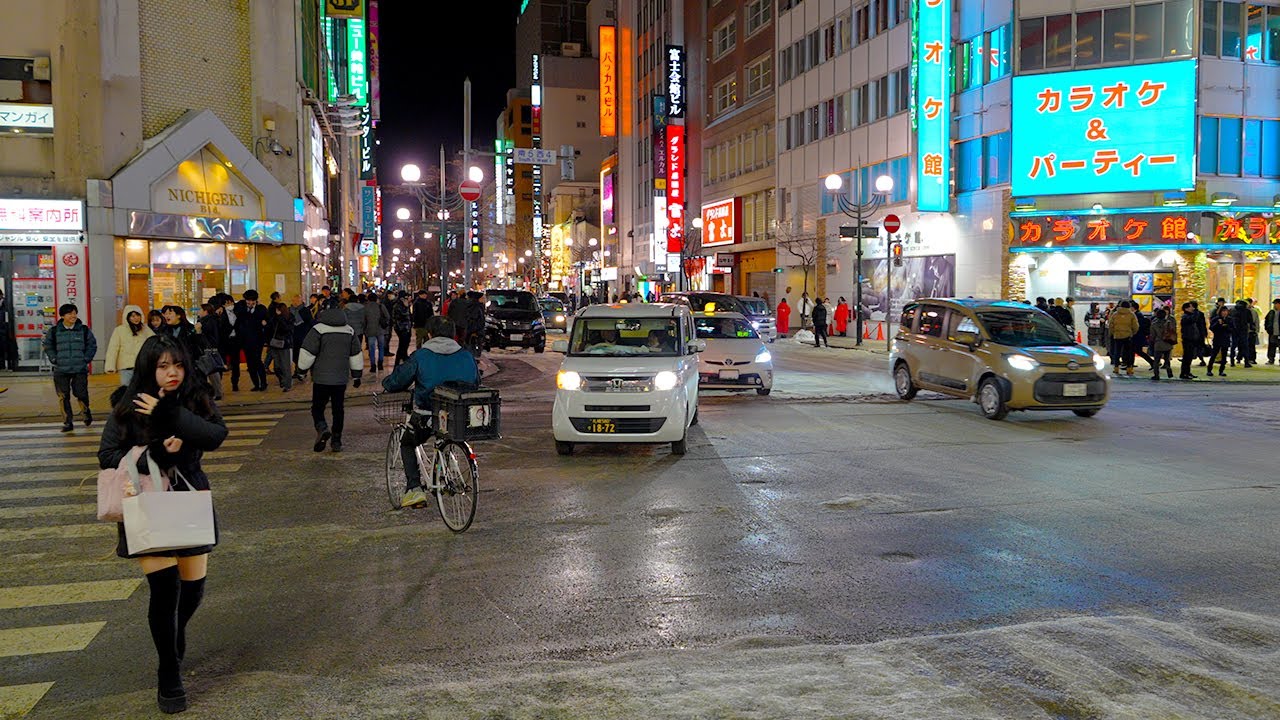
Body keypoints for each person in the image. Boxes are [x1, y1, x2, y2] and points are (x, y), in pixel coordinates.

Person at [97, 334, 227, 714]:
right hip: (147, 503)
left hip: (188, 499)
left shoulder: (194, 398)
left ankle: (175, 633)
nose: (172, 373)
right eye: (163, 366)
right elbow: (107, 454)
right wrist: (154, 453)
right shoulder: (127, 404)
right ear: (148, 368)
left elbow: (215, 435)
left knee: (193, 591)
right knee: (165, 590)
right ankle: (168, 672)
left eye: (178, 365)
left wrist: (170, 414)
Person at [381, 316, 480, 508]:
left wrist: (387, 383)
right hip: (459, 416)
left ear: (429, 334)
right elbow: (475, 383)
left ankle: (414, 489)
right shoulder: (466, 355)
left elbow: (397, 381)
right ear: (453, 335)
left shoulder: (421, 356)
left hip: (428, 415)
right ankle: (445, 472)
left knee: (407, 442)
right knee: (445, 435)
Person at [296, 306, 363, 452]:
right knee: (338, 409)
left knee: (317, 408)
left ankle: (322, 427)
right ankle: (336, 440)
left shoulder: (318, 330)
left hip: (321, 378)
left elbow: (308, 353)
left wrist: (301, 371)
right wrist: (357, 375)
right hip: (340, 379)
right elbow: (356, 354)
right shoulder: (349, 331)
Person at [43, 303, 97, 432]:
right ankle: (67, 422)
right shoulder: (54, 331)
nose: (73, 316)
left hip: (80, 369)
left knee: (81, 394)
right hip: (61, 369)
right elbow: (48, 346)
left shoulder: (83, 330)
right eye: (70, 313)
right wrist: (54, 359)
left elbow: (92, 345)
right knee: (63, 396)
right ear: (62, 316)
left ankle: (86, 412)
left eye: (74, 313)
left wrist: (86, 359)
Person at [105, 305, 153, 387]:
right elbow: (113, 349)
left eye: (137, 315)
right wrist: (110, 366)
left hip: (142, 367)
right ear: (127, 317)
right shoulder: (119, 330)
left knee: (142, 390)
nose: (136, 318)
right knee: (126, 390)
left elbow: (153, 343)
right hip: (126, 369)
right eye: (132, 316)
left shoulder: (146, 329)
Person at [234, 290, 269, 392]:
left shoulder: (261, 309)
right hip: (245, 340)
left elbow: (267, 321)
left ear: (256, 300)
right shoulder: (241, 308)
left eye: (252, 301)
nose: (250, 303)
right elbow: (238, 318)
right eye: (248, 301)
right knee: (250, 363)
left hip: (258, 340)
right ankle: (256, 384)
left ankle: (263, 383)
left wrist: (264, 323)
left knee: (257, 361)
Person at [195, 303, 223, 400]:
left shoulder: (209, 321)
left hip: (209, 348)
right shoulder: (207, 320)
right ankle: (215, 392)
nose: (198, 311)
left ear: (205, 311)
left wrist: (199, 329)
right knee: (210, 370)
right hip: (207, 347)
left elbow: (206, 334)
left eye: (200, 309)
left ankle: (217, 393)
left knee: (212, 370)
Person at [266, 301, 294, 391]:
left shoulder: (289, 317)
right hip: (274, 344)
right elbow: (270, 328)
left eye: (278, 310)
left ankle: (287, 385)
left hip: (284, 344)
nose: (276, 312)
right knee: (277, 366)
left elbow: (287, 329)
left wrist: (280, 317)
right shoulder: (274, 317)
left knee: (285, 365)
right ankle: (282, 380)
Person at [1107, 300, 1138, 375]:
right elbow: (1135, 326)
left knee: (1117, 352)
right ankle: (1129, 369)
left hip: (1117, 336)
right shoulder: (1132, 314)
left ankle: (1116, 368)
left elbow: (1110, 325)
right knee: (1128, 353)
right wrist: (1132, 333)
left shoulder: (1115, 314)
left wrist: (1113, 333)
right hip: (1128, 336)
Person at [363, 291, 389, 372]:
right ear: (376, 299)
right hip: (380, 330)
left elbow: (363, 320)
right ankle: (380, 363)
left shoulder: (365, 307)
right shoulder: (381, 306)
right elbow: (388, 316)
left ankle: (373, 365)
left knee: (371, 348)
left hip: (370, 330)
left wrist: (365, 329)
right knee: (381, 346)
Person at [1149, 307, 1176, 381]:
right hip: (1168, 342)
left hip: (1158, 343)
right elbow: (1173, 331)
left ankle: (1156, 375)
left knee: (1156, 360)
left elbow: (1152, 335)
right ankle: (1169, 371)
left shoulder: (1154, 324)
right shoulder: (1169, 322)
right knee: (1167, 359)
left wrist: (1152, 342)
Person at [1179, 302, 1204, 380]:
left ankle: (1187, 372)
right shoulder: (1185, 317)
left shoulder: (1189, 316)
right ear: (1186, 309)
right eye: (1191, 307)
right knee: (1187, 357)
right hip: (1188, 339)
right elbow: (1193, 319)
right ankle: (1184, 373)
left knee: (1189, 357)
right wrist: (1196, 311)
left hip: (1192, 339)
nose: (1192, 309)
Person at [1209, 305, 1234, 376]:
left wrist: (1226, 326)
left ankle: (1221, 370)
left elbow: (1233, 329)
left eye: (1226, 311)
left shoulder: (1229, 319)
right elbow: (1212, 328)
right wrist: (1218, 324)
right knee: (1214, 355)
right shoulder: (1216, 319)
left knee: (1224, 356)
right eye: (1223, 311)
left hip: (1226, 339)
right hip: (1217, 339)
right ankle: (1209, 369)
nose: (1225, 313)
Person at [1230, 299, 1255, 368]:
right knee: (1245, 347)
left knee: (1233, 346)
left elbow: (1229, 320)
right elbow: (1250, 321)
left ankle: (1232, 362)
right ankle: (1246, 362)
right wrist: (1252, 328)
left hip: (1234, 331)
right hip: (1243, 331)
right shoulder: (1247, 311)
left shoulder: (1232, 310)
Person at [392, 291, 414, 366]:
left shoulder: (404, 304)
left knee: (405, 345)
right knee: (402, 346)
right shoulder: (399, 305)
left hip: (406, 328)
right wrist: (406, 306)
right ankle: (398, 363)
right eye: (407, 297)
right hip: (402, 328)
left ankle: (404, 360)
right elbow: (403, 315)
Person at [1265, 298, 1280, 364]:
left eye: (1276, 304)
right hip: (1272, 333)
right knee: (1271, 347)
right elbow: (1266, 320)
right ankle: (1271, 360)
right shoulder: (1271, 312)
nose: (1274, 305)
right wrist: (1267, 328)